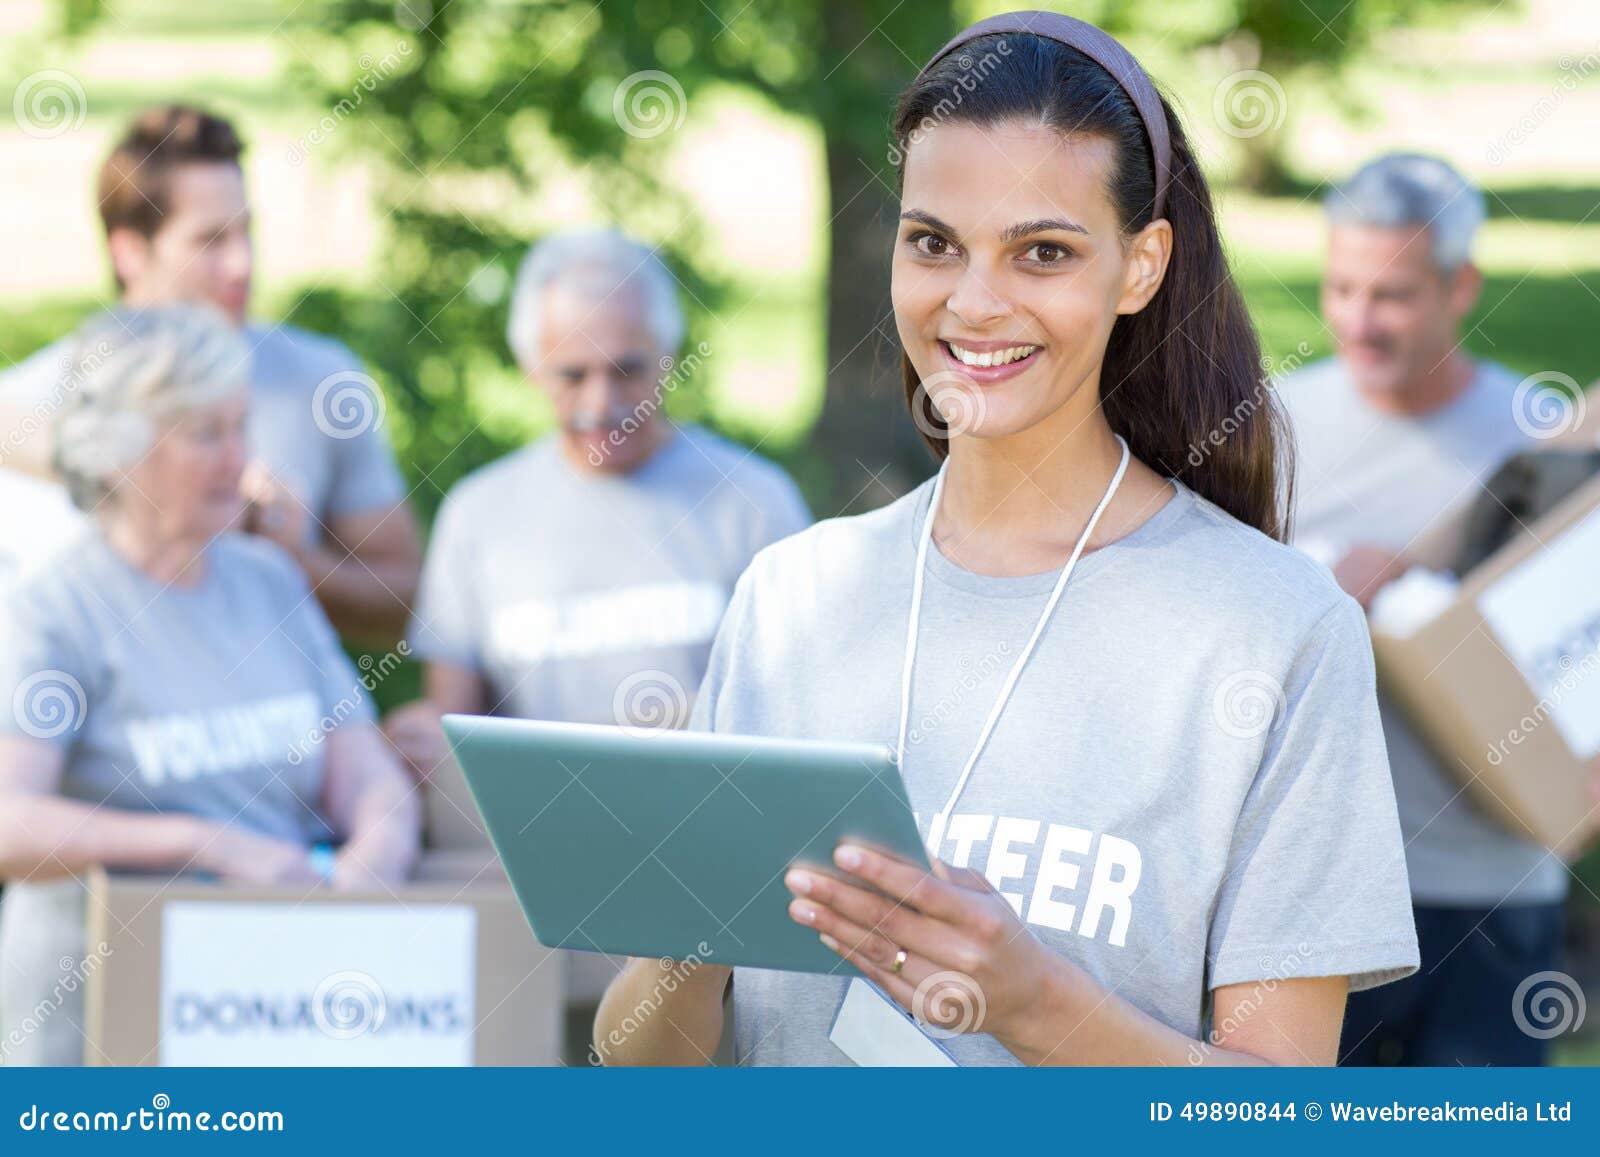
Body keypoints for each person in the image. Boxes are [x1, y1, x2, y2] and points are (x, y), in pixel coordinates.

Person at [594, 10, 1419, 1067]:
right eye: (933, 242)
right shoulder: (790, 596)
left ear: (1139, 265)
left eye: (1042, 252)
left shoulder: (1277, 630)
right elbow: (642, 1066)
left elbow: (1277, 1112)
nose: (973, 304)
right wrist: (687, 932)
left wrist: (1032, 1003)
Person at [383, 228, 811, 1022]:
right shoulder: (481, 515)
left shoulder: (753, 503)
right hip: (536, 920)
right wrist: (419, 737)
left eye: (629, 370)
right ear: (528, 367)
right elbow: (457, 730)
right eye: (570, 373)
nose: (599, 404)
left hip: (709, 920)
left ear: (669, 356)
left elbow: (801, 722)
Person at [0, 307, 420, 1066]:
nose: (241, 461)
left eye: (242, 426)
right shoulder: (54, 608)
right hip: (94, 1045)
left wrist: (380, 846)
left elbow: (364, 767)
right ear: (122, 455)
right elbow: (10, 823)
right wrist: (207, 845)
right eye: (206, 434)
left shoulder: (269, 582)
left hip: (263, 1027)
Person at [1277, 153, 1583, 1065]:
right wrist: (1315, 588)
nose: (1358, 322)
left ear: (1463, 288)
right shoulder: (1267, 428)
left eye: (1394, 296)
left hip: (1497, 891)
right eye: (1341, 288)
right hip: (1319, 891)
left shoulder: (1543, 441)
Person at [0, 105, 420, 644]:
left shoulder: (319, 383)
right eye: (210, 241)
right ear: (129, 251)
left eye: (247, 232)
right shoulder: (26, 406)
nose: (243, 264)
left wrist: (290, 559)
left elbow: (401, 604)